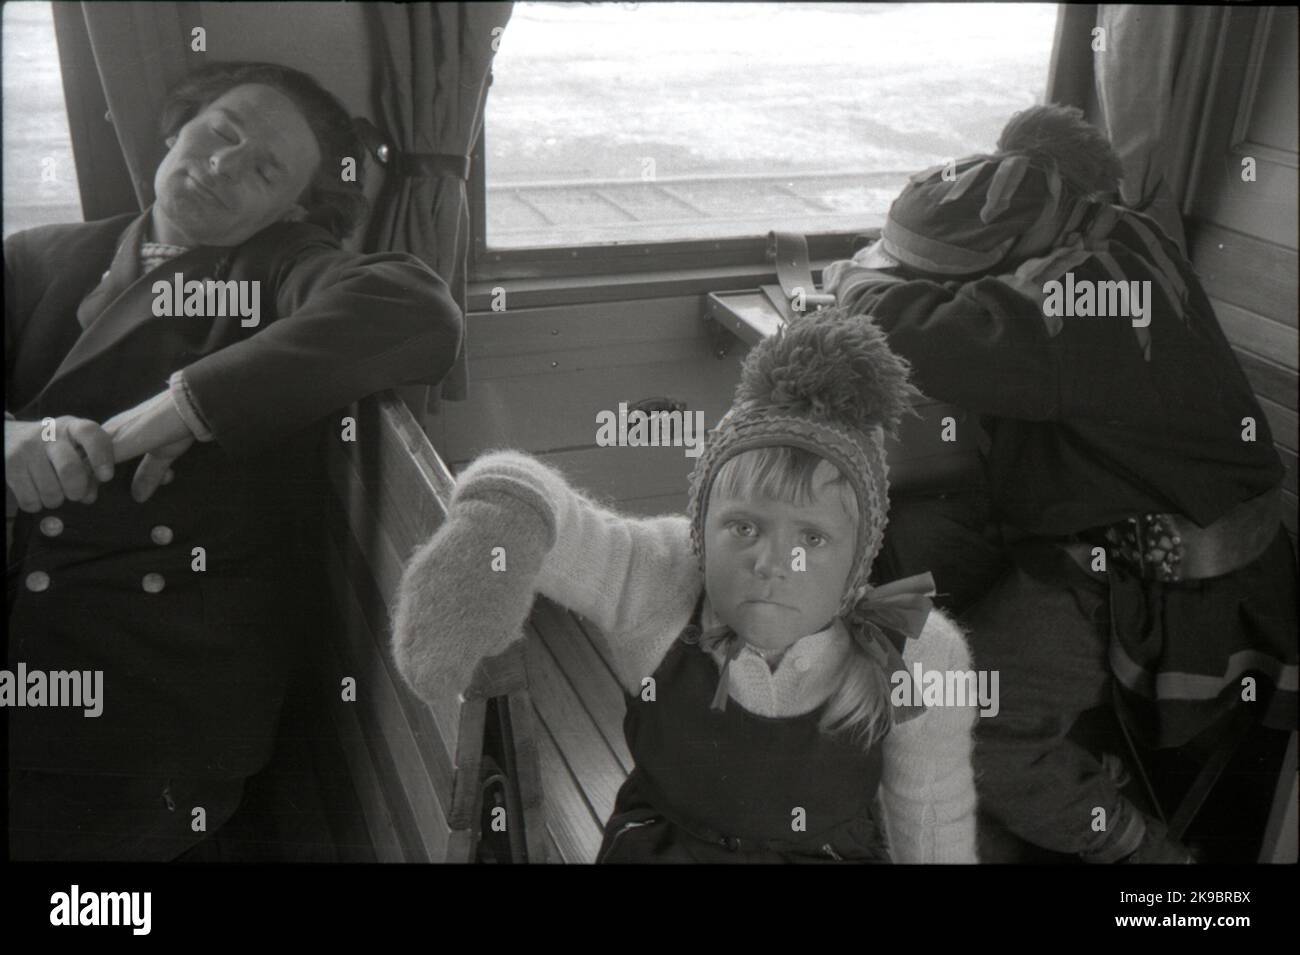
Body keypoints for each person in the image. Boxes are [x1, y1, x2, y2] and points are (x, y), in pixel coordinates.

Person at [5, 61, 463, 860]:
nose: (222, 164)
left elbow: (420, 309)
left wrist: (181, 407)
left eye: (265, 169)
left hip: (144, 707)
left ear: (293, 209)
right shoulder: (41, 259)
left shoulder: (278, 269)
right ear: (176, 130)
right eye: (220, 133)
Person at [823, 104, 1296, 863]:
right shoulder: (1127, 235)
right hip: (1116, 525)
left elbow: (931, 338)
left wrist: (857, 277)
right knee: (902, 539)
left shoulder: (1089, 290)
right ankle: (1025, 757)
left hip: (1166, 583)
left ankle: (1157, 862)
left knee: (983, 737)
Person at [392, 308, 977, 863]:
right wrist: (501, 515)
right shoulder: (664, 583)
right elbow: (560, 518)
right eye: (743, 526)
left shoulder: (920, 654)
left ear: (859, 555)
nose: (772, 563)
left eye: (813, 539)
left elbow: (931, 812)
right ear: (701, 529)